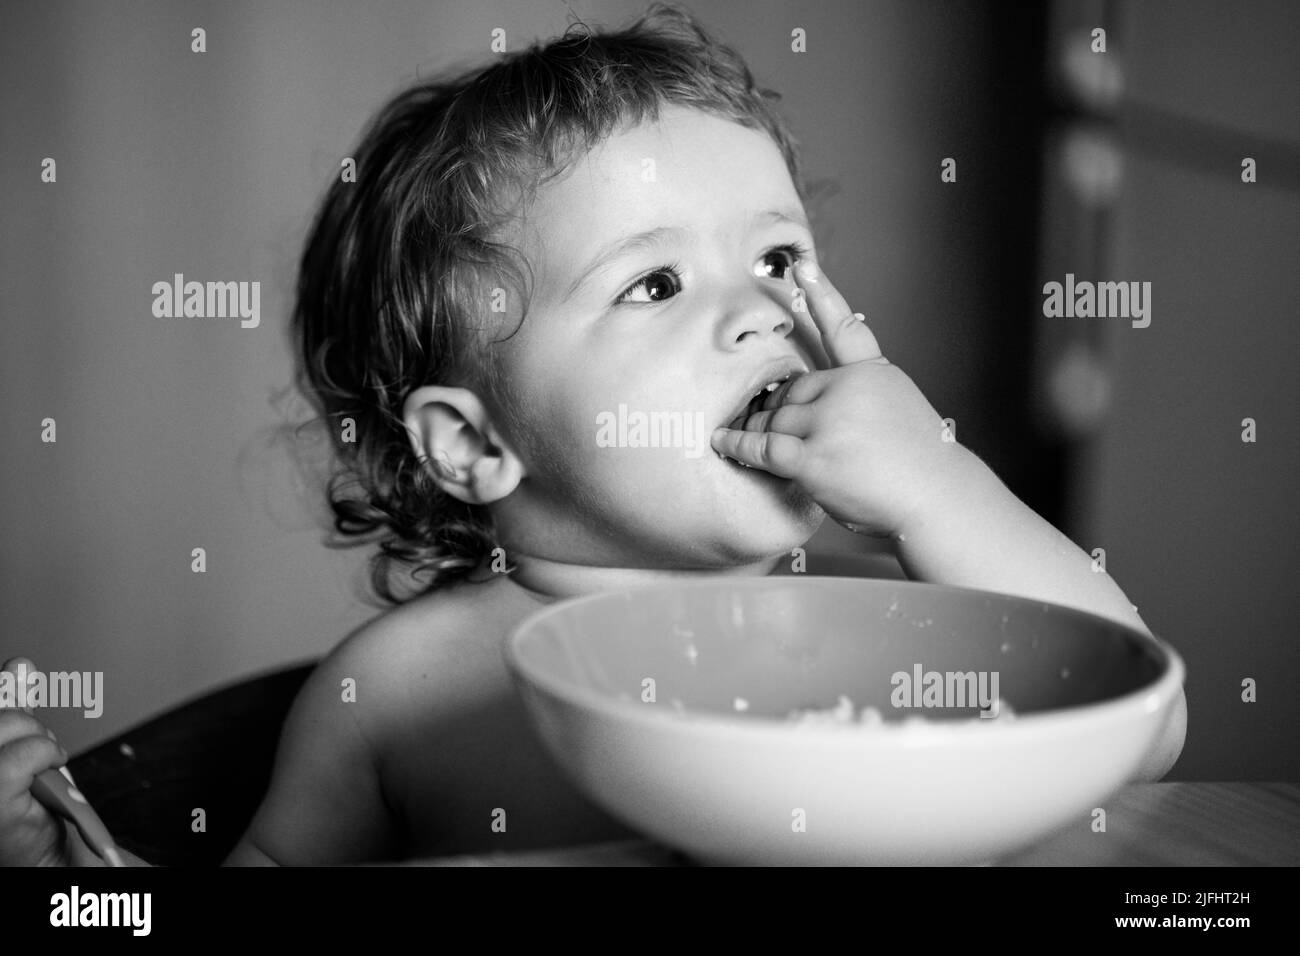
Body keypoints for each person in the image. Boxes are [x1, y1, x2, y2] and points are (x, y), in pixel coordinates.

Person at [0, 4, 1185, 867]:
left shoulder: (869, 615)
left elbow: (1144, 736)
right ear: (472, 443)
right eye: (656, 283)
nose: (763, 311)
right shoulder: (404, 688)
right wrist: (65, 881)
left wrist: (941, 485)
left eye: (776, 258)